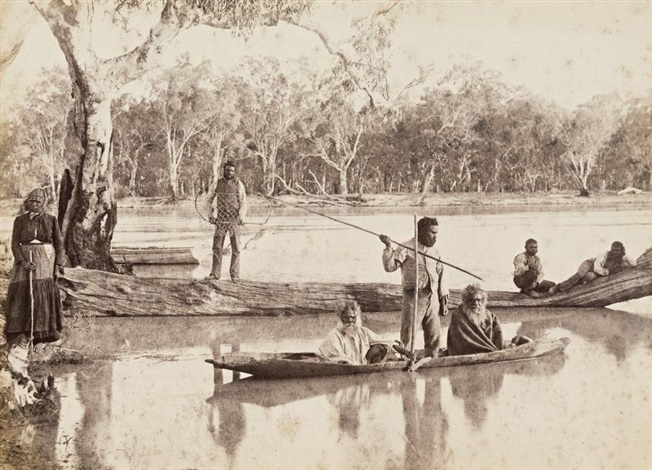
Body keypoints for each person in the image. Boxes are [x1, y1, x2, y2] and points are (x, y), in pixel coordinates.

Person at [4, 189, 64, 374]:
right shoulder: (20, 220)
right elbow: (15, 243)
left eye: (38, 203)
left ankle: (41, 335)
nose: (35, 205)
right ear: (27, 203)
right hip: (25, 260)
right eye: (32, 202)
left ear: (43, 204)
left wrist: (58, 265)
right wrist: (22, 261)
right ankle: (21, 333)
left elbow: (59, 244)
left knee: (41, 293)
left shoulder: (51, 220)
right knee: (23, 292)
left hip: (45, 260)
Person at [379, 217, 448, 358]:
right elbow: (389, 267)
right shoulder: (406, 248)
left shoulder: (435, 252)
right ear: (421, 231)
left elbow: (441, 276)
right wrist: (388, 247)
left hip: (432, 298)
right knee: (408, 335)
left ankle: (432, 362)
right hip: (414, 298)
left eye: (436, 233)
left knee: (434, 335)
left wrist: (443, 301)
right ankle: (405, 361)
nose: (435, 237)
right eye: (432, 233)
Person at [205, 161, 247, 281]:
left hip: (234, 219)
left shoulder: (239, 184)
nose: (230, 173)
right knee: (217, 246)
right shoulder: (216, 183)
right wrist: (210, 216)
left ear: (235, 172)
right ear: (224, 170)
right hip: (221, 220)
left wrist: (241, 217)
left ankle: (235, 275)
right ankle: (215, 274)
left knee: (236, 248)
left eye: (232, 171)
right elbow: (208, 200)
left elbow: (243, 203)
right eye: (228, 170)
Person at [550, 241, 637, 294]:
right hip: (590, 264)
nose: (615, 252)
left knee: (589, 277)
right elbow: (596, 268)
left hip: (597, 272)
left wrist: (625, 254)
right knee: (580, 274)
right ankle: (558, 287)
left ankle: (570, 289)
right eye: (614, 250)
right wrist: (606, 272)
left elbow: (634, 264)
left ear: (622, 250)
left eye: (618, 250)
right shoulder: (603, 254)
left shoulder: (622, 257)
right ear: (611, 249)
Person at [318, 300, 382, 365]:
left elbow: (382, 340)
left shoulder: (364, 332)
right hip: (345, 369)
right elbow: (336, 358)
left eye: (353, 317)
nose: (350, 320)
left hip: (363, 366)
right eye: (346, 317)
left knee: (381, 347)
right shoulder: (333, 336)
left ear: (357, 317)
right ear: (340, 317)